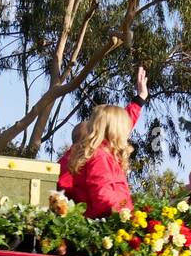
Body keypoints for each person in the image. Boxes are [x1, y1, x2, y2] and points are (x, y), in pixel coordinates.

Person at [58, 67, 148, 218]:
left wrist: (140, 98)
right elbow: (103, 197)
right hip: (105, 223)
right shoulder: (99, 157)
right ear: (114, 131)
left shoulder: (95, 150)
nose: (126, 132)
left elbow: (119, 123)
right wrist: (128, 216)